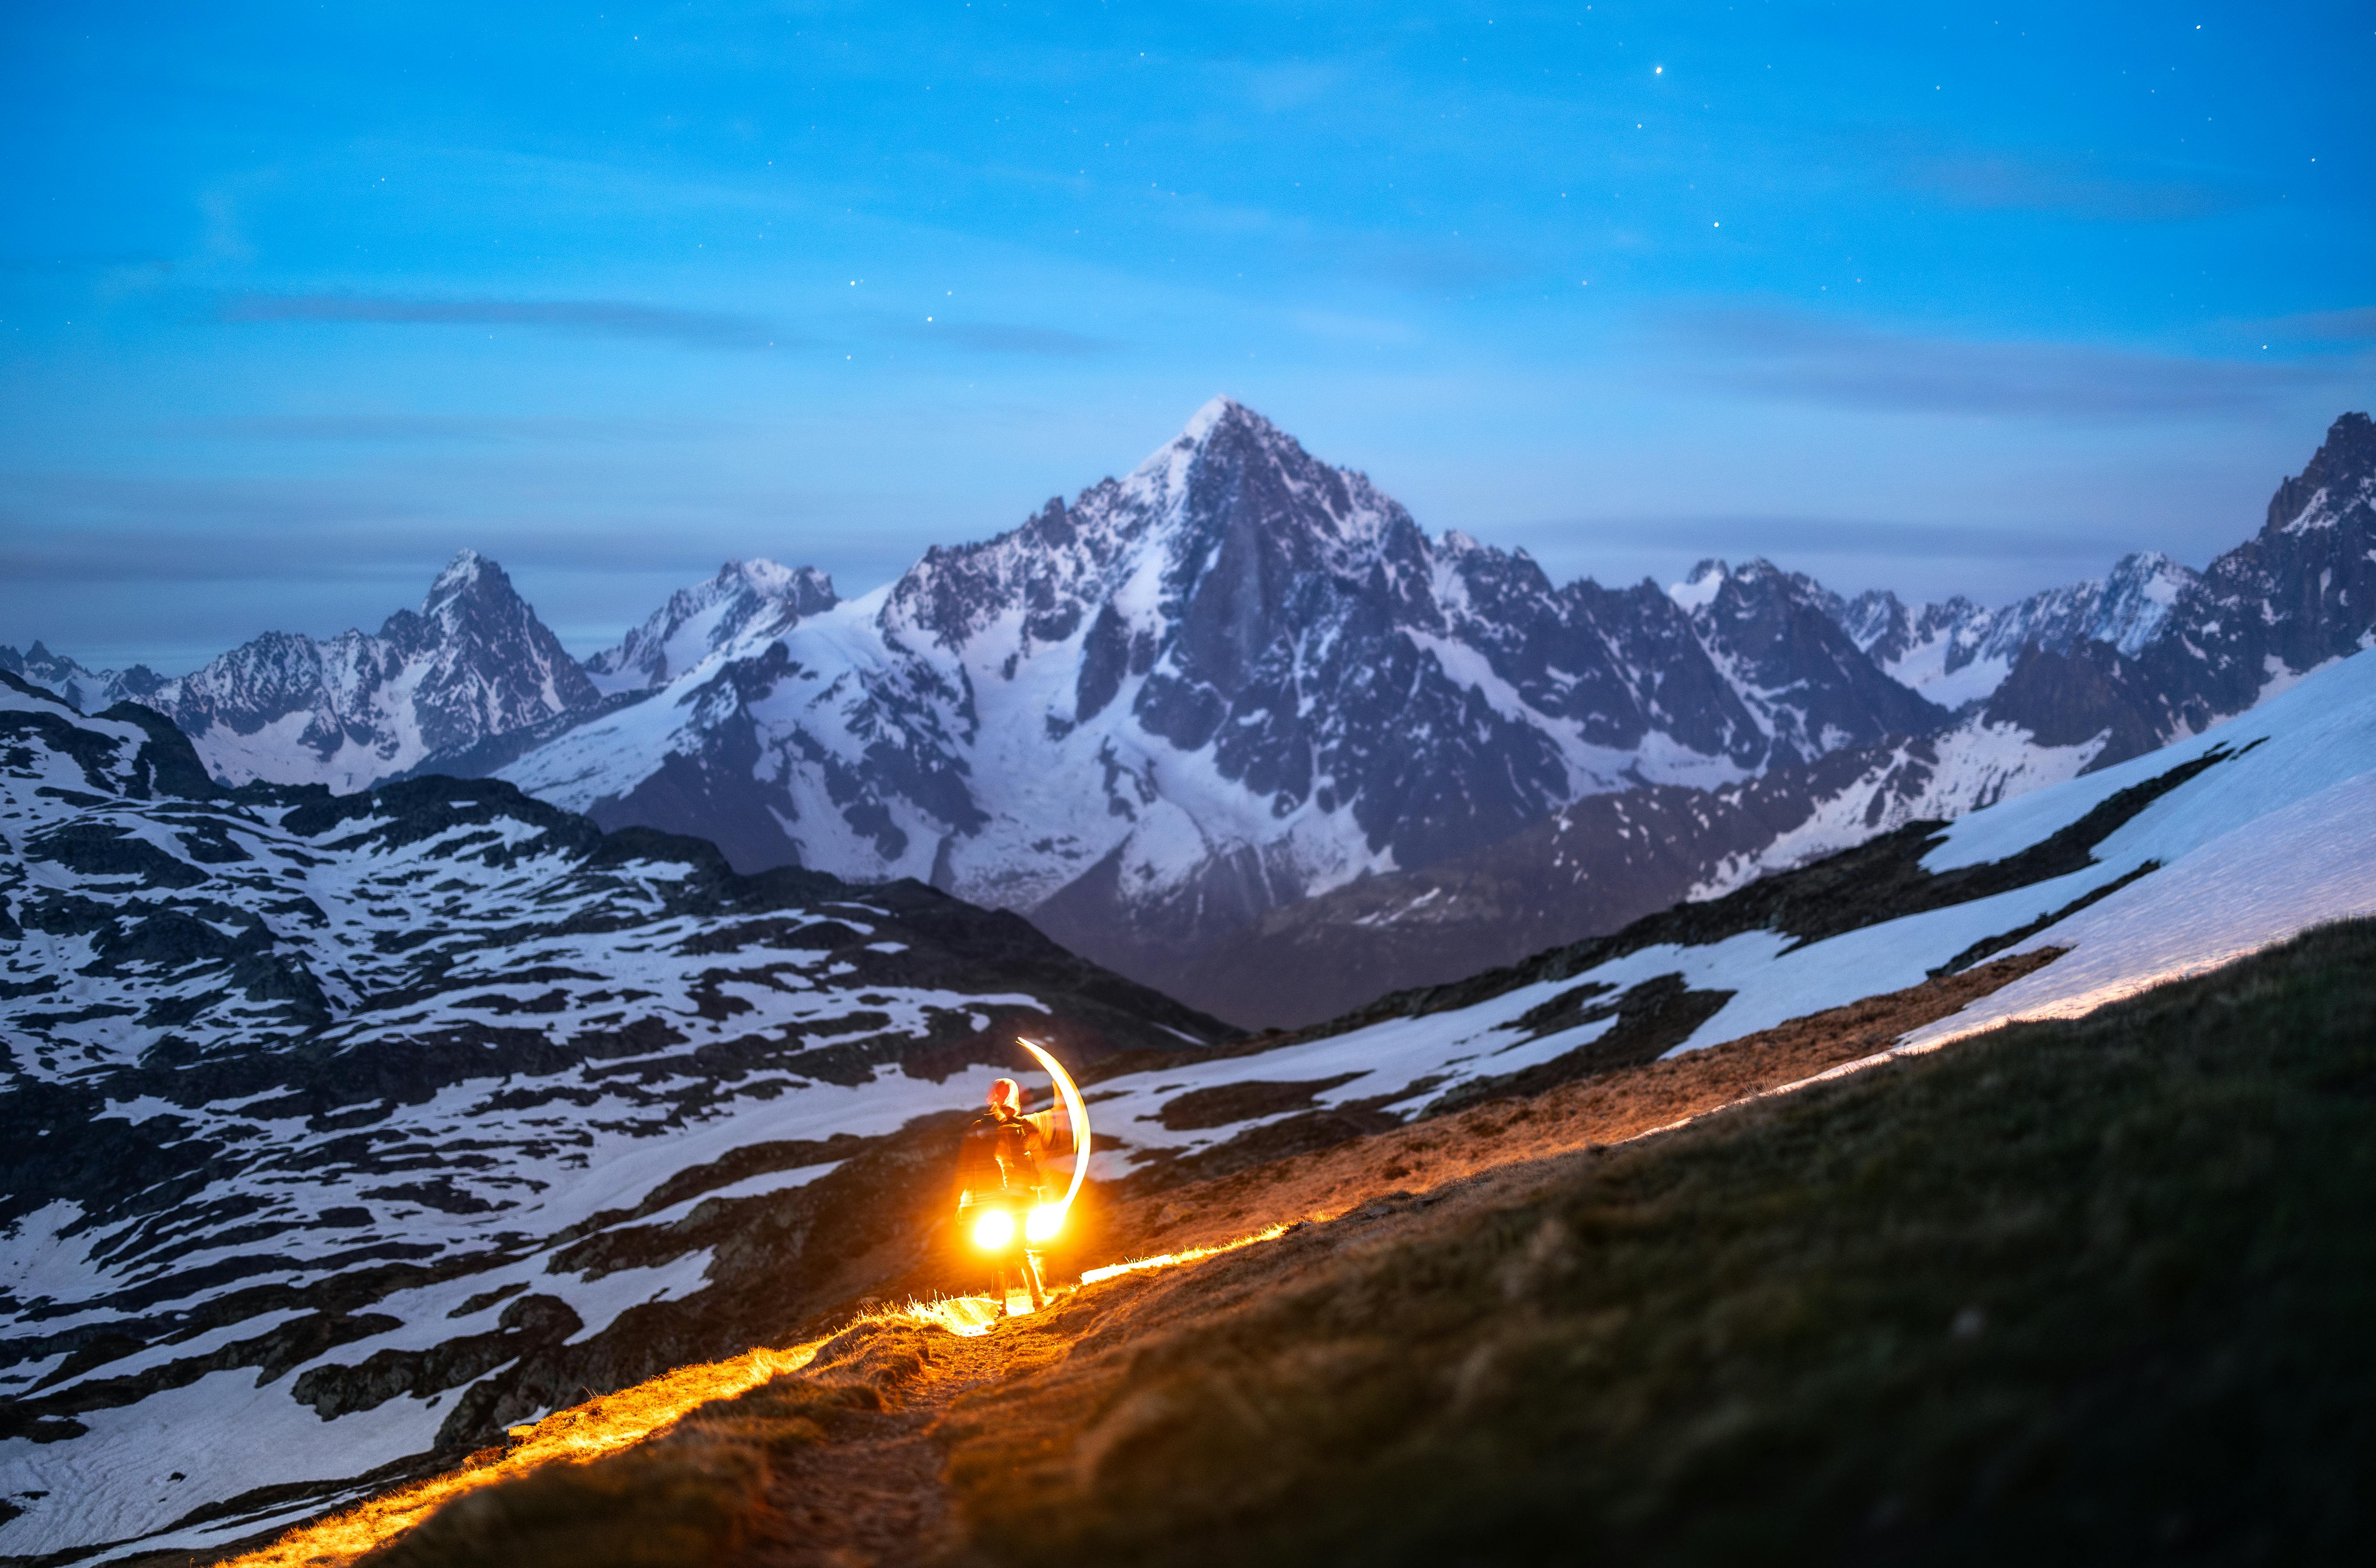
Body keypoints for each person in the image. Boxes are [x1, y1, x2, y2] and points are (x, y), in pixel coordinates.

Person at [953, 1076, 1074, 1315]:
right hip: (1008, 1198)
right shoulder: (1002, 1127)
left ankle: (1025, 1303)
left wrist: (963, 1201)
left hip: (1011, 1199)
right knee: (1006, 1249)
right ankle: (1017, 1303)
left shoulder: (1014, 1126)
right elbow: (970, 1166)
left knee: (1011, 1249)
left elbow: (1038, 1159)